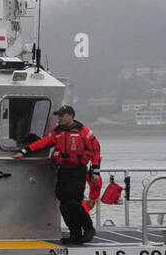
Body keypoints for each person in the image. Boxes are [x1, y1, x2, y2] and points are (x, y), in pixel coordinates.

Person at [10, 104, 101, 244]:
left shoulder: (84, 132)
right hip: (63, 171)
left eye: (62, 116)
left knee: (73, 202)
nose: (59, 119)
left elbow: (96, 149)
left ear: (70, 116)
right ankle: (75, 234)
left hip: (78, 171)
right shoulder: (57, 133)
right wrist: (24, 152)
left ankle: (88, 228)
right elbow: (42, 143)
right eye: (58, 116)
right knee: (64, 204)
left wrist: (95, 170)